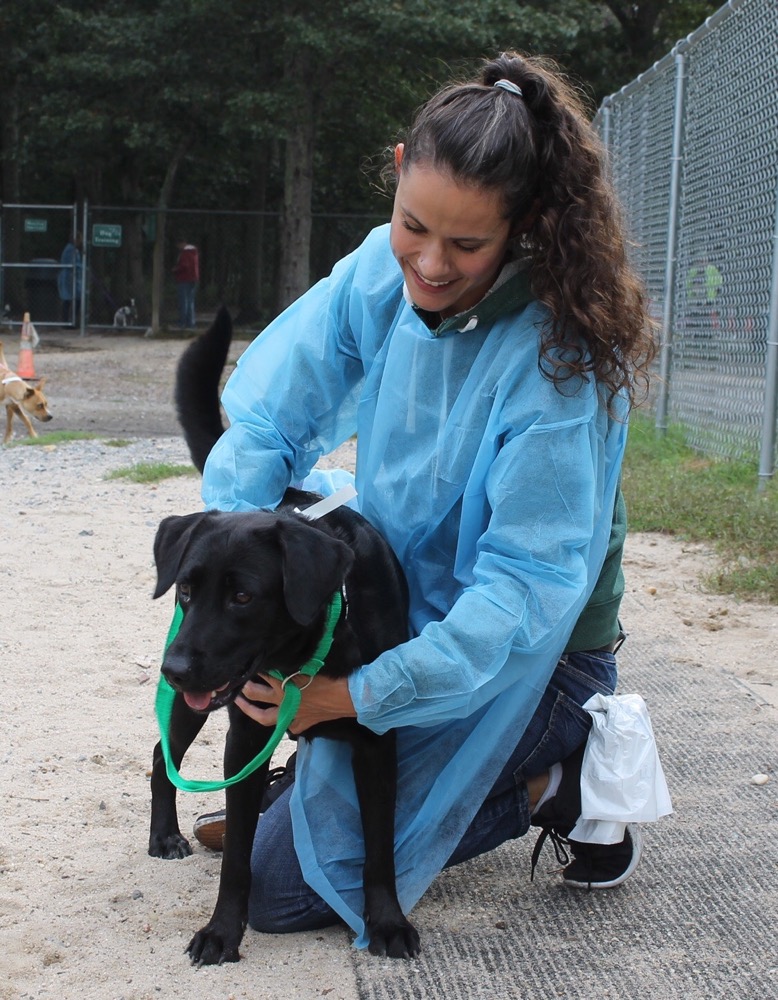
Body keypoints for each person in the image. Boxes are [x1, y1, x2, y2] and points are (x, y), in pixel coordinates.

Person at [193, 52, 655, 944]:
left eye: (468, 245)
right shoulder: (382, 266)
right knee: (295, 844)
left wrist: (353, 699)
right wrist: (232, 551)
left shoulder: (559, 366)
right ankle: (345, 780)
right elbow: (264, 426)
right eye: (415, 226)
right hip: (407, 605)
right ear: (401, 168)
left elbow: (520, 600)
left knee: (291, 893)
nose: (430, 265)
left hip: (538, 657)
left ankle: (565, 779)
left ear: (527, 226)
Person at [172, 237, 199, 328]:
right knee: (190, 301)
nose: (178, 247)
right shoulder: (194, 252)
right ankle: (191, 322)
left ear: (182, 243)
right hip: (193, 278)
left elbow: (184, 266)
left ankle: (182, 322)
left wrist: (175, 270)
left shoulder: (185, 253)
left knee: (183, 301)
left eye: (178, 245)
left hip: (184, 279)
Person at [58, 232, 83, 326]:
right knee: (68, 299)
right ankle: (67, 321)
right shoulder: (70, 249)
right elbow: (69, 263)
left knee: (76, 299)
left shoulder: (74, 249)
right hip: (69, 277)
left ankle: (72, 320)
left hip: (74, 276)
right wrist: (79, 266)